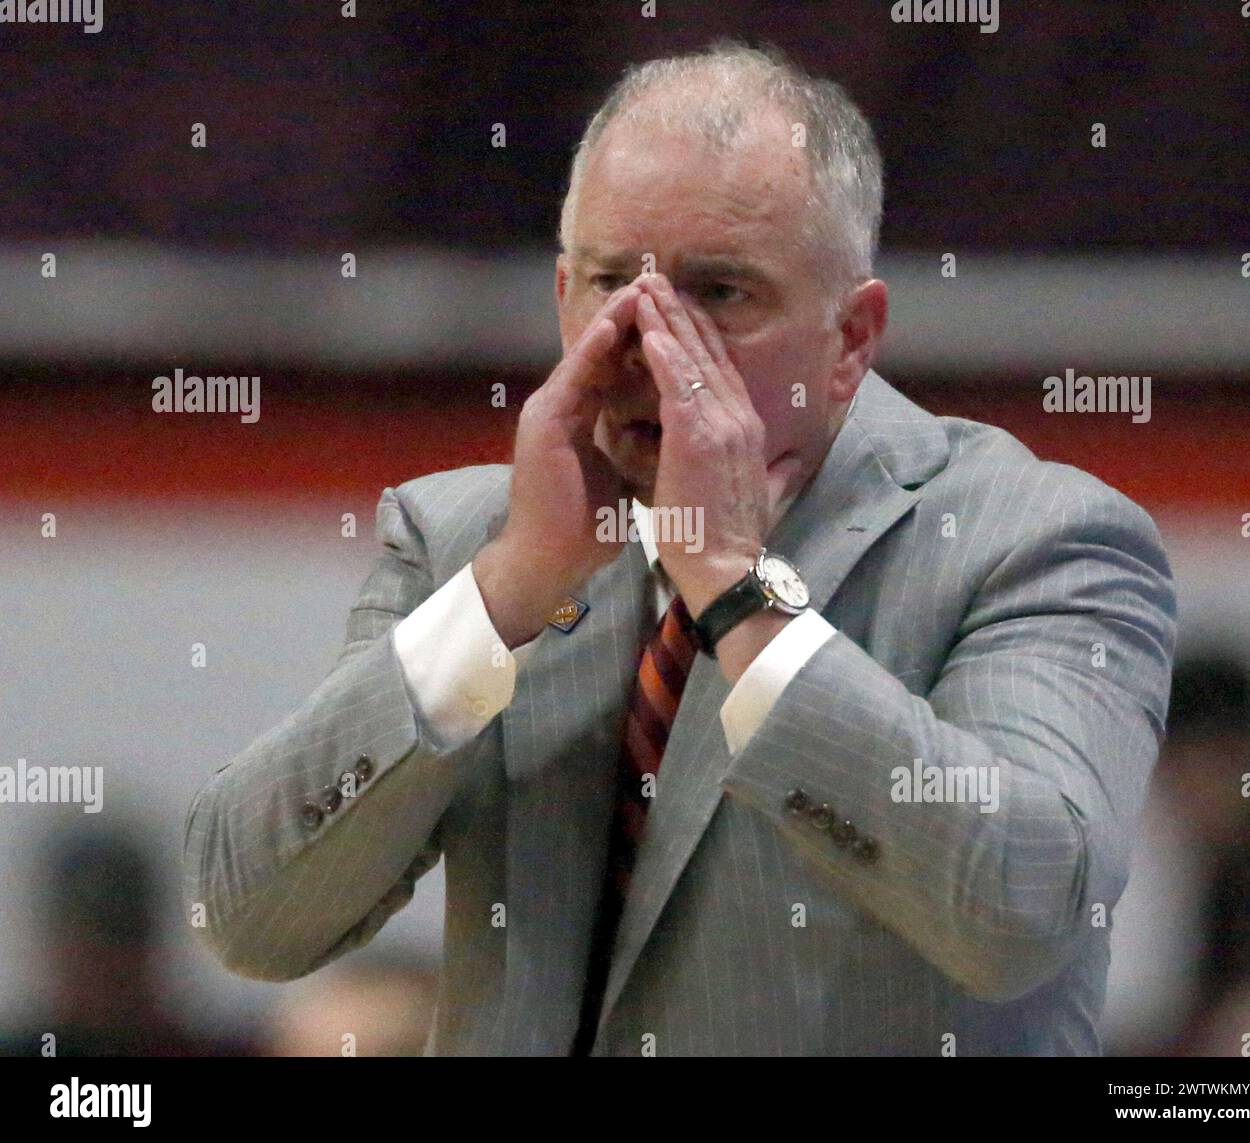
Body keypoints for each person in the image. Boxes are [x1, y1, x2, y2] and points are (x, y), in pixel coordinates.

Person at [183, 42, 1177, 1056]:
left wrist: (739, 593)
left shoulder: (1037, 540)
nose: (649, 346)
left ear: (850, 338)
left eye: (718, 294)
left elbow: (1022, 914)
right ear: (561, 293)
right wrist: (510, 589)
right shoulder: (466, 542)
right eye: (614, 284)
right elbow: (244, 914)